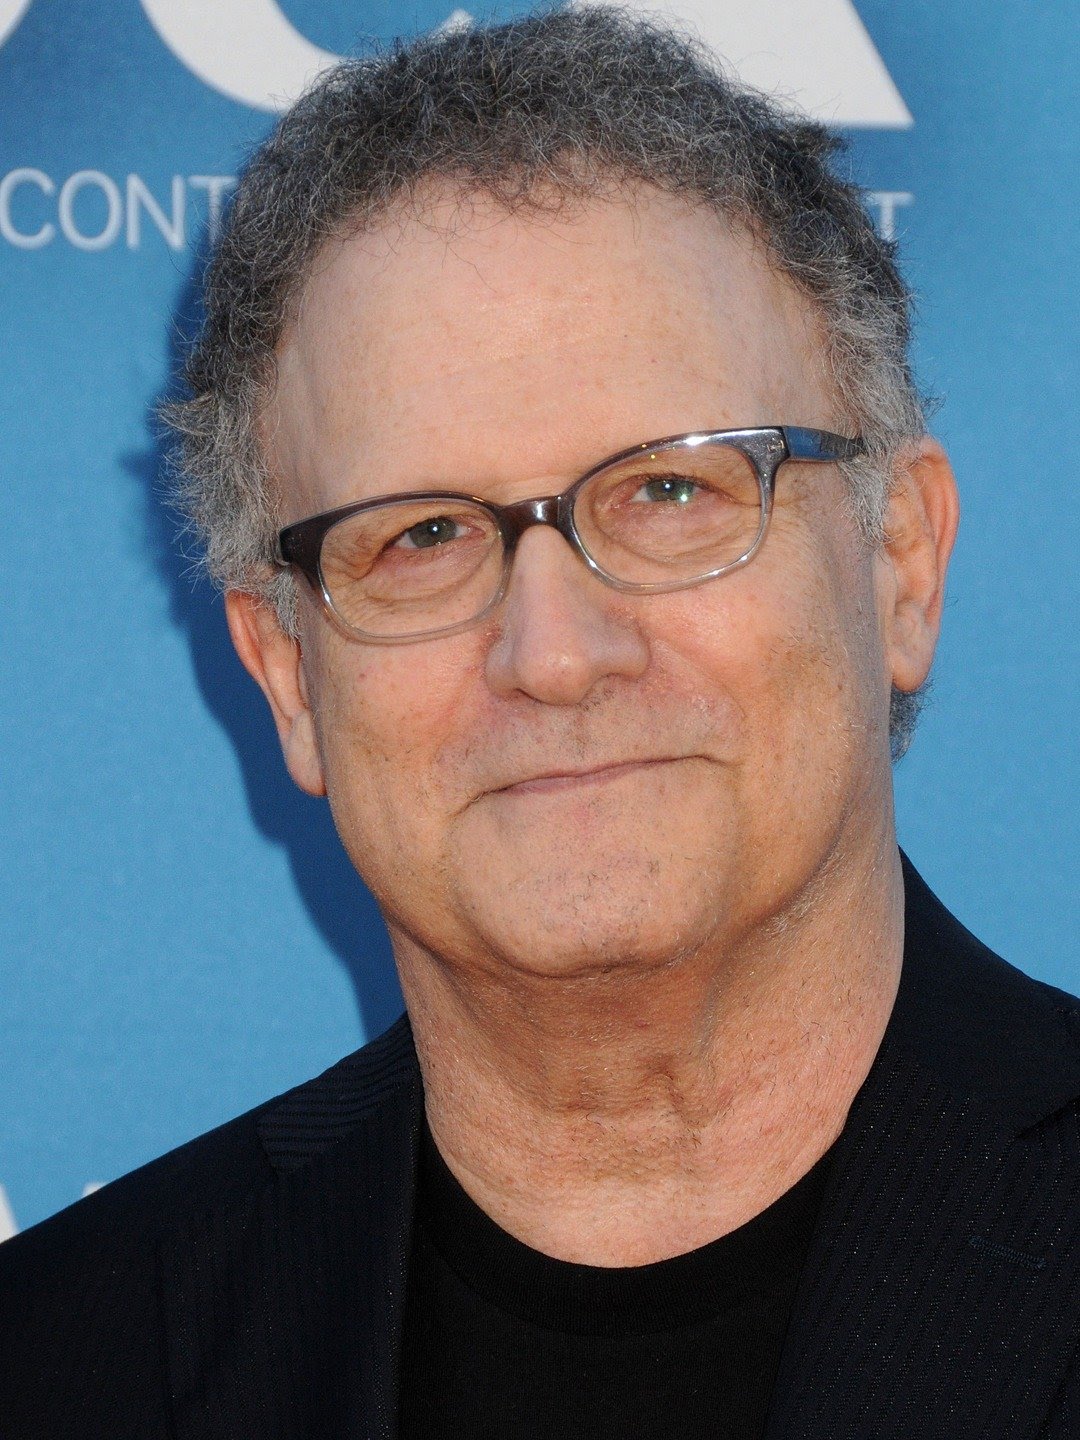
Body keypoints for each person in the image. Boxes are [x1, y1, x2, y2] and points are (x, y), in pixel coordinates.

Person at [2, 11, 1078, 1439]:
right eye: (422, 536)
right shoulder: (57, 1366)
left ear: (901, 564)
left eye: (673, 491)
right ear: (287, 676)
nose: (556, 655)